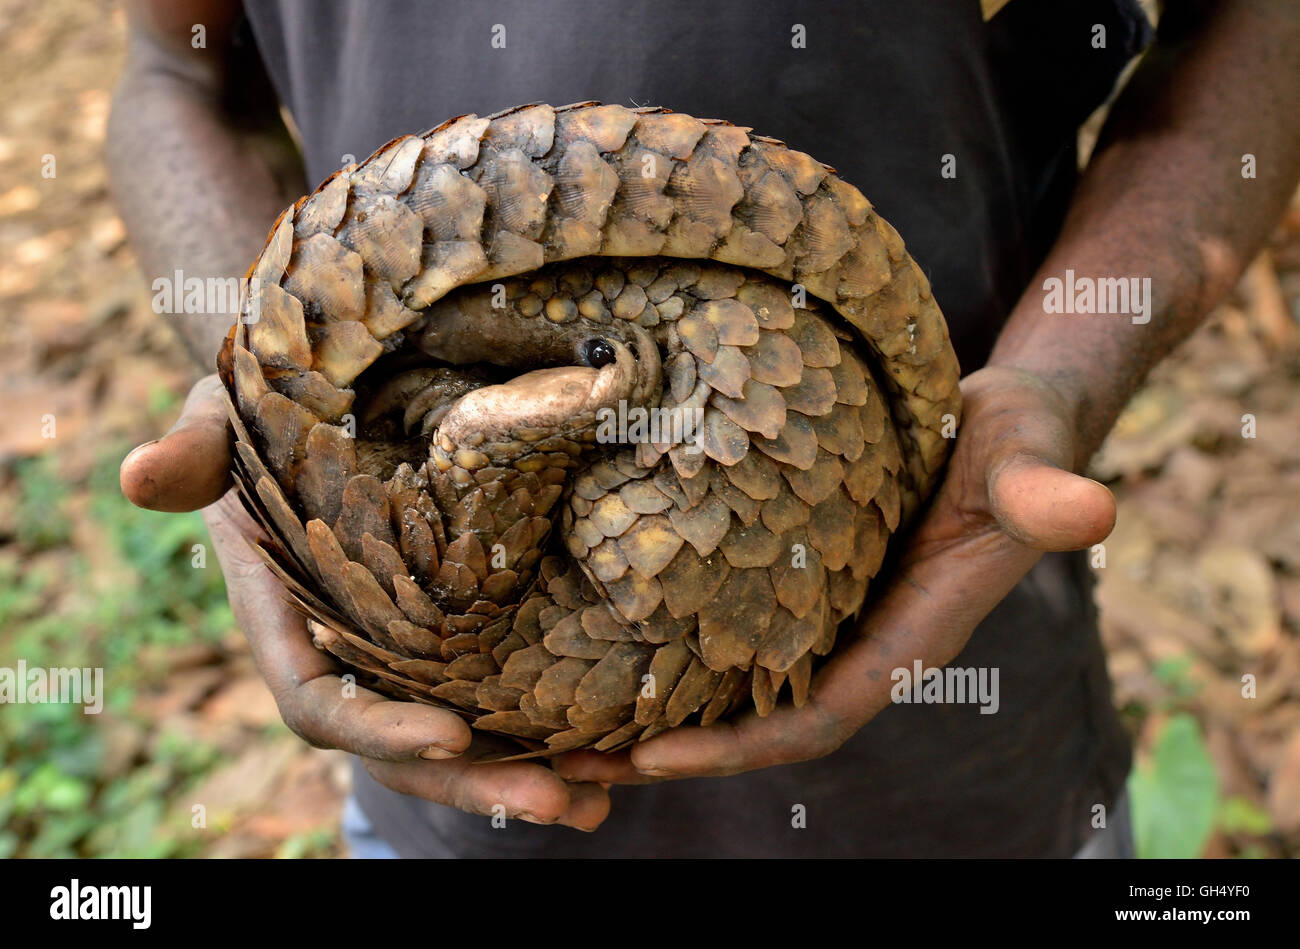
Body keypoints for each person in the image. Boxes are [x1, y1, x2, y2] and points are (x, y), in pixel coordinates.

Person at [109, 0, 1300, 857]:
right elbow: (176, 69)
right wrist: (273, 407)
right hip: (435, 766)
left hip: (962, 718)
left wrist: (1061, 377)